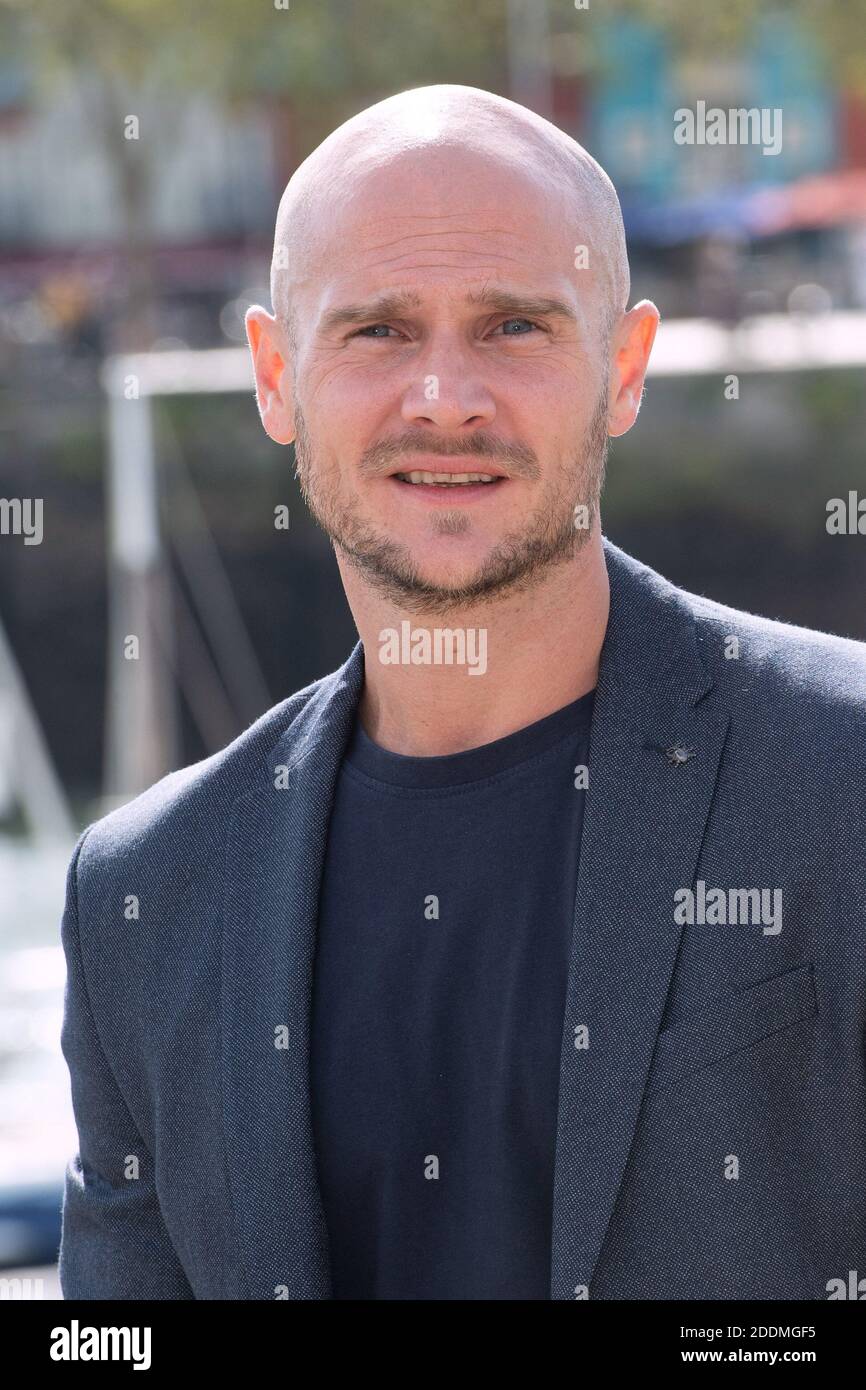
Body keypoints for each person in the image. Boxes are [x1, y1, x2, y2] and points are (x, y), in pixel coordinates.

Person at [59, 84, 866, 1301]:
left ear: (623, 368)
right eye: (378, 330)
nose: (444, 397)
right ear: (276, 376)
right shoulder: (146, 893)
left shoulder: (839, 777)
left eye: (513, 327)